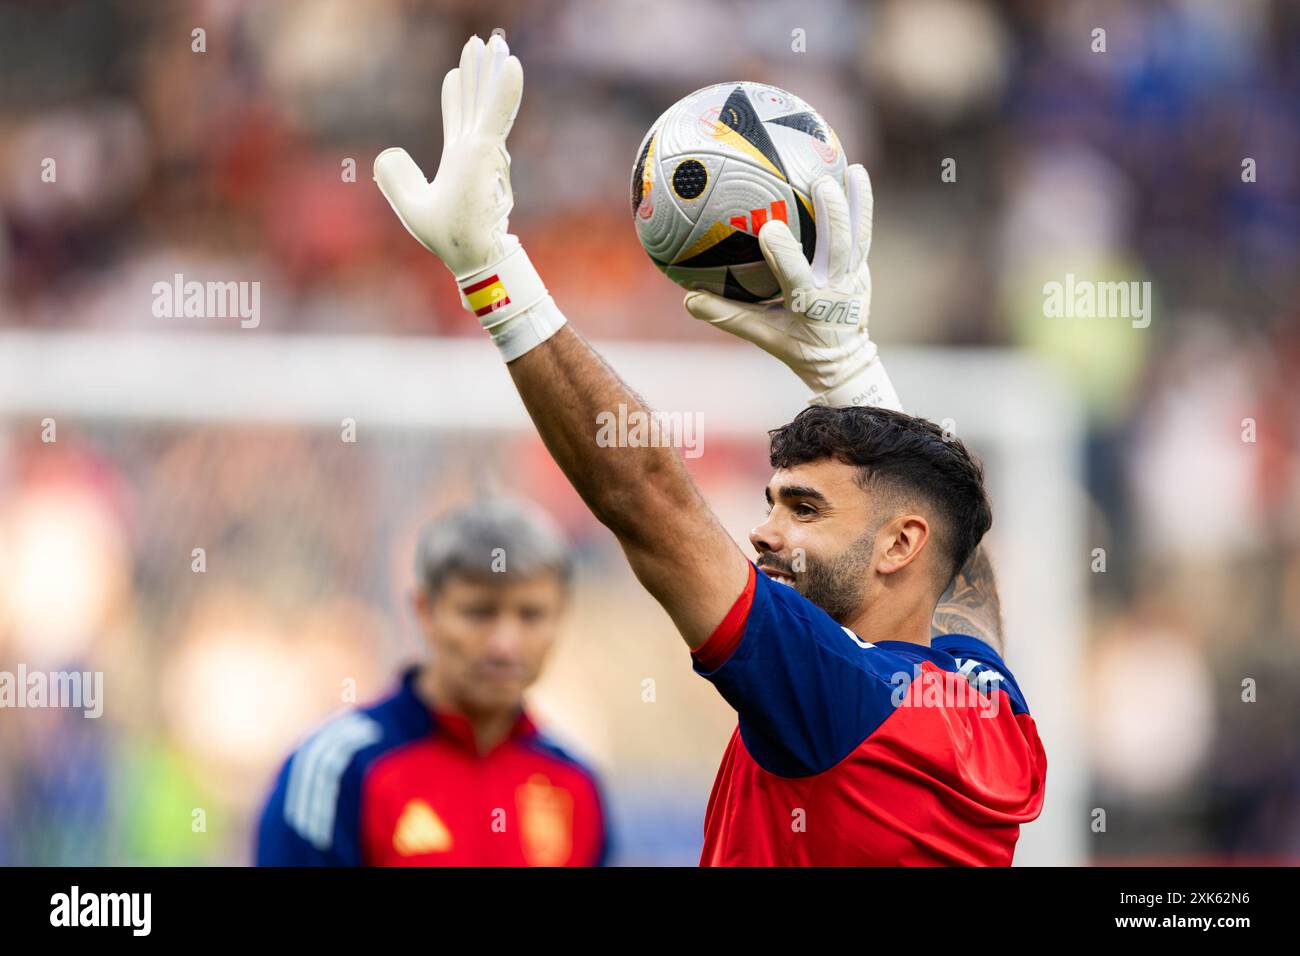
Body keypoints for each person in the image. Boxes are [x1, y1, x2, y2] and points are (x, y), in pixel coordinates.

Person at [372, 34, 1046, 865]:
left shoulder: (835, 697)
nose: (763, 533)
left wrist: (492, 271)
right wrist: (849, 368)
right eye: (772, 501)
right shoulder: (992, 708)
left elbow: (649, 497)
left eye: (805, 508)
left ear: (900, 544)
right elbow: (957, 583)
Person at [256, 497, 610, 866]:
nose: (505, 645)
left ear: (561, 617)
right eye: (479, 613)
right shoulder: (338, 767)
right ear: (425, 612)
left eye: (531, 616)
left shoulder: (573, 783)